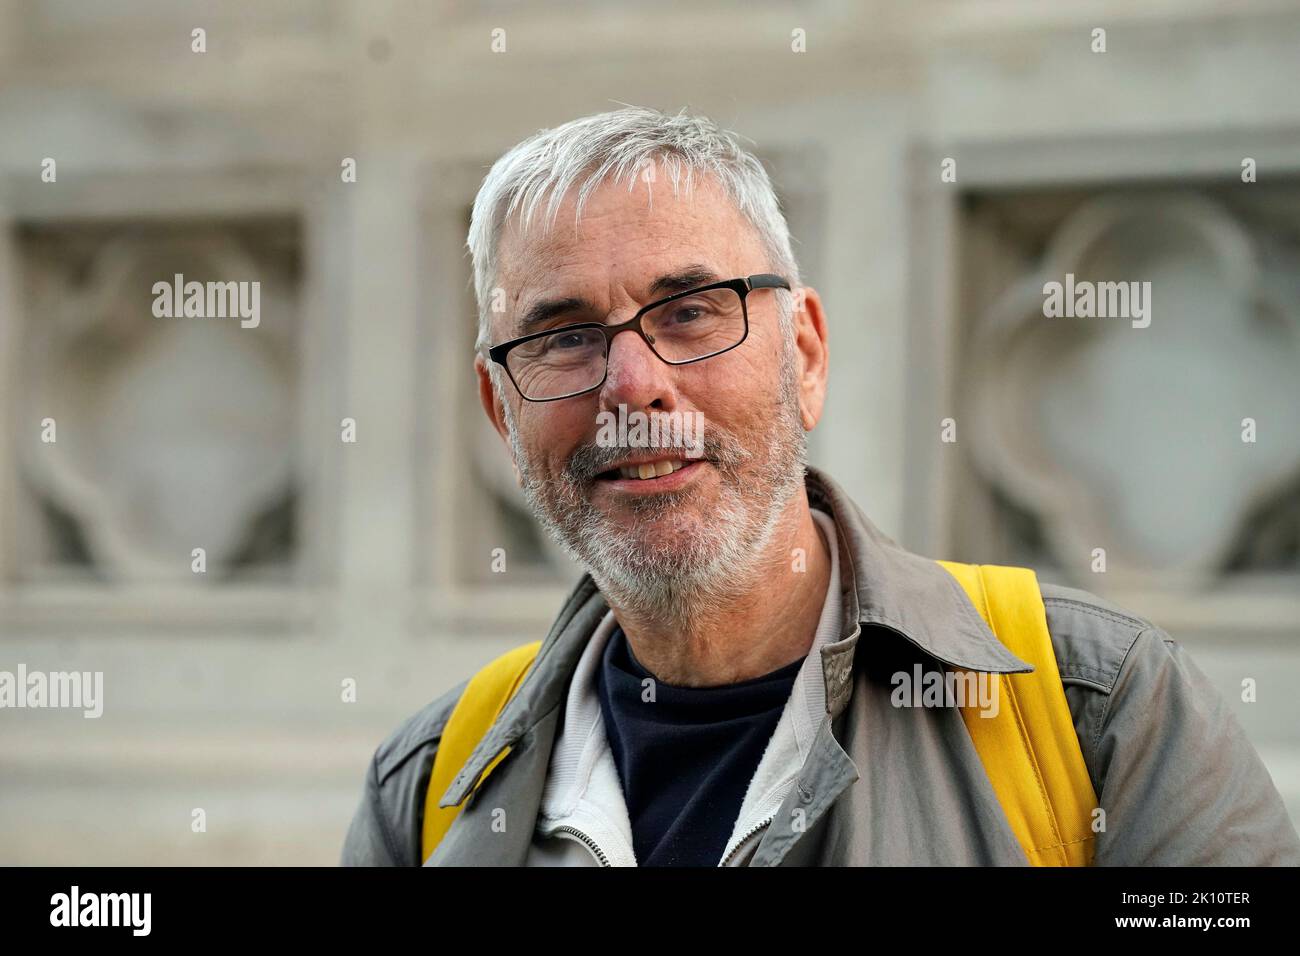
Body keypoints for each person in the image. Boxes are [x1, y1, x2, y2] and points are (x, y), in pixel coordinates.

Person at [342, 105, 1300, 866]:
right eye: (562, 337)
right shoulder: (428, 793)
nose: (634, 386)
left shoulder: (1098, 710)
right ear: (502, 411)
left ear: (803, 356)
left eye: (688, 312)